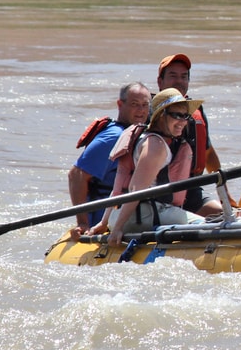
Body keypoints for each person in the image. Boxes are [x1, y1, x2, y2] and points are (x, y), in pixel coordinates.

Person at [86, 88, 206, 245]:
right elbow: (136, 191)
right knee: (207, 225)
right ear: (161, 115)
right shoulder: (155, 146)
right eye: (177, 115)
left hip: (128, 215)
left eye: (186, 116)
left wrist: (105, 222)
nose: (183, 121)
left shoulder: (143, 138)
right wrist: (117, 229)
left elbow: (118, 189)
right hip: (141, 216)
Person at [67, 82, 151, 231]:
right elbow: (76, 175)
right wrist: (82, 223)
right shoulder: (114, 137)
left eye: (145, 105)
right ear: (120, 104)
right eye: (135, 104)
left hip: (126, 216)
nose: (141, 110)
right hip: (103, 220)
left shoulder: (138, 133)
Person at [157, 53, 223, 217]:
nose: (179, 81)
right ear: (160, 81)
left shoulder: (196, 112)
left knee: (223, 213)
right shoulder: (150, 113)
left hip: (191, 189)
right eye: (173, 76)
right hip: (160, 192)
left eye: (184, 76)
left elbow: (207, 153)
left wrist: (225, 194)